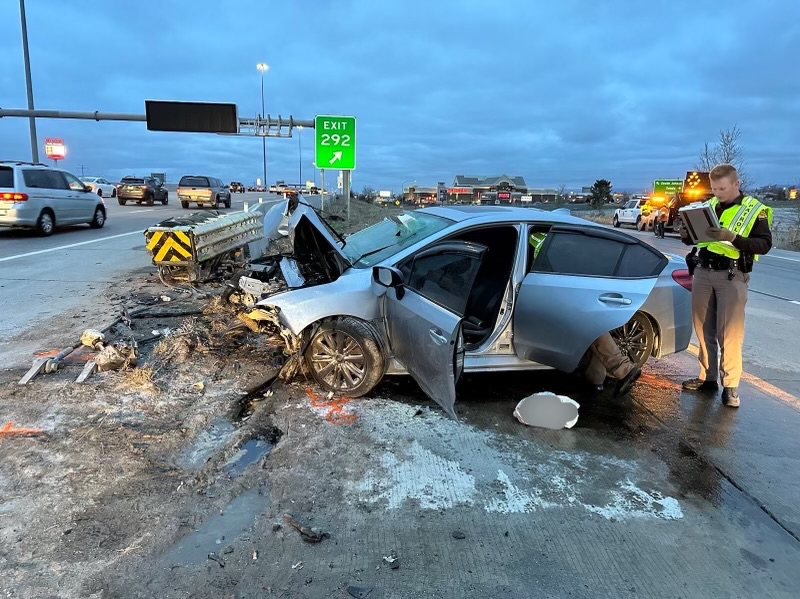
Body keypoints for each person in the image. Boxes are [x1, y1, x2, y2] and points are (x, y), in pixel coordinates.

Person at [679, 164, 773, 408]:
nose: (717, 193)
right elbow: (694, 237)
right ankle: (707, 378)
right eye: (714, 188)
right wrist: (686, 231)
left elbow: (763, 245)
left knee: (729, 334)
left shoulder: (754, 210)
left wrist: (731, 237)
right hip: (703, 271)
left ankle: (730, 386)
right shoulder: (708, 206)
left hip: (731, 275)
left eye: (722, 188)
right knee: (702, 329)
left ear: (736, 184)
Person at [529, 230, 642, 397]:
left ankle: (622, 370)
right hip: (567, 295)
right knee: (591, 326)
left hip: (573, 295)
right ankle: (597, 379)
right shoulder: (558, 244)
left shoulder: (555, 248)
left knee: (590, 326)